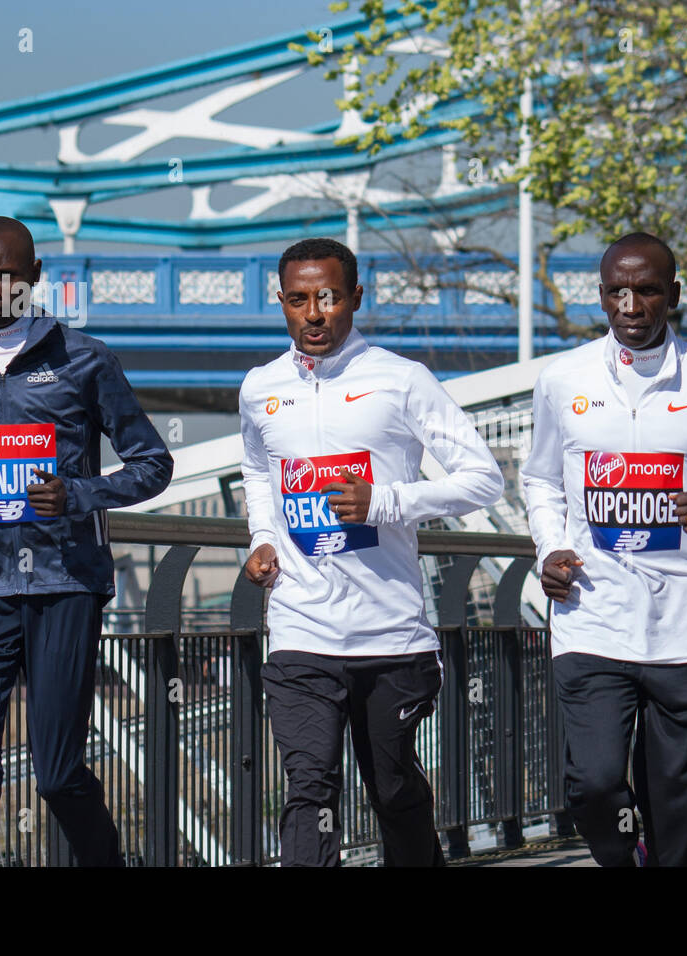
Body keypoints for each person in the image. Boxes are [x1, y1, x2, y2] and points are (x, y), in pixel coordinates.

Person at [0, 216, 173, 866]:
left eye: (6, 275)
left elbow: (152, 464)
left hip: (65, 585)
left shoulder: (85, 358)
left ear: (34, 277)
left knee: (56, 775)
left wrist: (79, 495)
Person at [522, 232, 687, 866]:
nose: (630, 304)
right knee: (592, 785)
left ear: (672, 294)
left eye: (646, 290)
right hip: (593, 617)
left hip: (685, 627)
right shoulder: (563, 380)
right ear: (600, 297)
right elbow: (538, 478)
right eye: (617, 291)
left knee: (676, 815)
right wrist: (552, 548)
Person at [240, 237, 503, 867]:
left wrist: (383, 501)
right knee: (310, 786)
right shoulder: (260, 386)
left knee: (391, 789)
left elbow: (483, 479)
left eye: (327, 297)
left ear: (355, 296)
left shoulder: (402, 379)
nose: (314, 313)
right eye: (298, 300)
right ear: (281, 303)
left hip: (391, 635)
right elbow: (257, 470)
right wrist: (264, 538)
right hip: (301, 628)